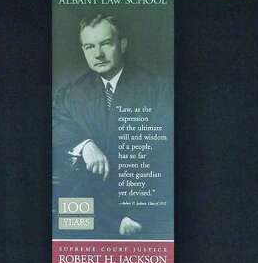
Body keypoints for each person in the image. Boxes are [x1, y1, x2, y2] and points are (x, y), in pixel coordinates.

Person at [52, 13, 172, 238]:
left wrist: (139, 215)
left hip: (139, 216)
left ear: (122, 45)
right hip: (87, 212)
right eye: (89, 46)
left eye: (106, 43)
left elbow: (165, 156)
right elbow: (56, 124)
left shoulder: (158, 90)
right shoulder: (71, 93)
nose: (97, 54)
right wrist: (84, 144)